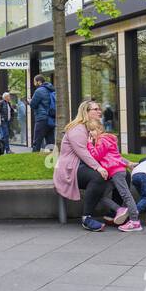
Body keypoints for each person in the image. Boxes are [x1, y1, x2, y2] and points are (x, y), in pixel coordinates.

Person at [53, 99, 112, 232]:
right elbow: (83, 152)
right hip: (71, 169)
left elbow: (104, 151)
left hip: (84, 166)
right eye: (95, 109)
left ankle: (114, 214)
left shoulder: (93, 128)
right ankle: (87, 218)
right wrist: (98, 167)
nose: (99, 111)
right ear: (86, 112)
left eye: (99, 109)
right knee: (98, 176)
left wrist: (124, 163)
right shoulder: (77, 129)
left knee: (122, 174)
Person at [87, 126, 142, 231]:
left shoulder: (102, 140)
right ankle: (120, 210)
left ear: (100, 130)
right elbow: (116, 156)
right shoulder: (108, 140)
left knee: (126, 195)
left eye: (92, 130)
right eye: (89, 131)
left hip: (116, 172)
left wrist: (89, 144)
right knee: (100, 195)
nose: (90, 133)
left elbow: (96, 156)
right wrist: (128, 163)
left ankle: (135, 222)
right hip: (115, 172)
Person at [30, 75, 56, 152]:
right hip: (51, 118)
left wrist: (30, 101)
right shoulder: (51, 89)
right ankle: (52, 158)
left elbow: (33, 104)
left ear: (39, 82)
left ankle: (34, 157)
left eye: (35, 82)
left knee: (37, 140)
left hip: (41, 118)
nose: (34, 84)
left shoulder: (39, 91)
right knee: (50, 141)